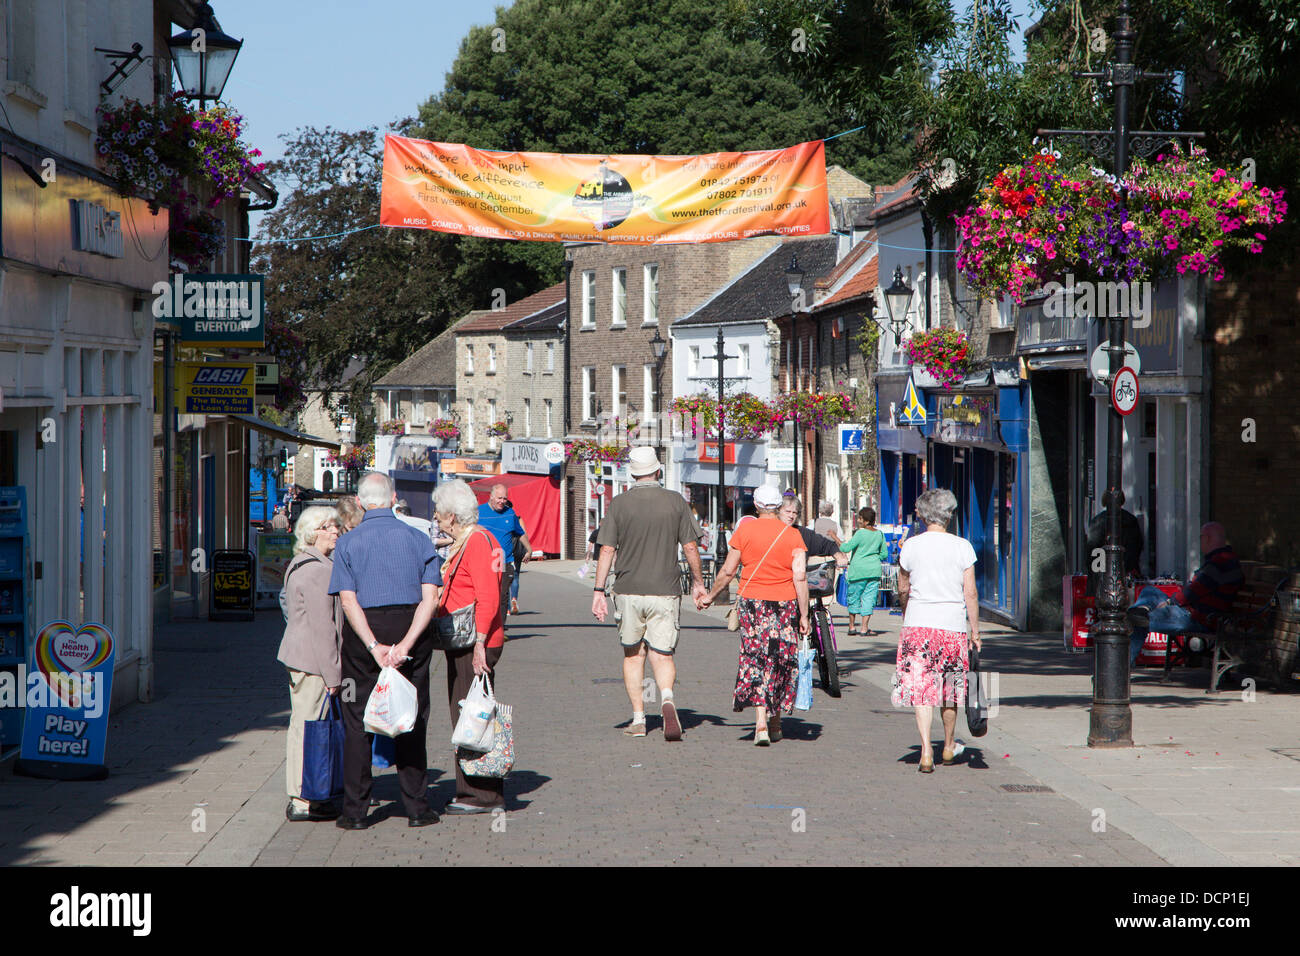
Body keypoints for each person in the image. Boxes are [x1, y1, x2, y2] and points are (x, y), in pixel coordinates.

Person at [328, 471, 442, 829]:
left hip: (365, 635)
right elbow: (432, 598)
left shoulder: (348, 543)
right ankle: (418, 808)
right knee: (411, 715)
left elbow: (348, 601)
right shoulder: (418, 538)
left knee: (357, 720)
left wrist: (374, 646)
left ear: (360, 502)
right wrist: (405, 644)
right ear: (393, 498)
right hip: (411, 627)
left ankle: (356, 812)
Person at [592, 447, 706, 741]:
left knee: (633, 655)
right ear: (658, 471)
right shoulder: (675, 502)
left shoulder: (618, 504)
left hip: (628, 590)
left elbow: (607, 549)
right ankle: (666, 697)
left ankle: (640, 718)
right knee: (662, 653)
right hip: (665, 591)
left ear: (633, 474)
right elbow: (691, 547)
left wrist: (598, 590)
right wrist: (697, 583)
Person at [701, 484, 809, 745]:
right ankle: (775, 721)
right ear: (778, 507)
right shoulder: (792, 535)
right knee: (781, 658)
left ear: (758, 506)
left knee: (755, 656)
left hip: (753, 604)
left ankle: (760, 722)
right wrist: (804, 615)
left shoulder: (745, 530)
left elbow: (728, 571)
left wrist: (710, 596)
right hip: (784, 604)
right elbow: (801, 576)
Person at [432, 479, 507, 814]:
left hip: (473, 642)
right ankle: (476, 789)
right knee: (470, 712)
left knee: (470, 716)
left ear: (452, 516)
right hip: (471, 640)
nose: (435, 517)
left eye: (438, 512)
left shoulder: (476, 542)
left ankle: (478, 793)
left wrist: (479, 644)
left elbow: (489, 596)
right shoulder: (479, 538)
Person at [894, 488, 980, 773]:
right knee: (950, 690)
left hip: (918, 625)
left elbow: (903, 587)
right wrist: (975, 630)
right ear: (949, 515)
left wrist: (906, 611)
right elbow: (970, 593)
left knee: (921, 691)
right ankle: (948, 744)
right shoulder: (962, 546)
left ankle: (926, 751)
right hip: (951, 626)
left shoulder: (911, 546)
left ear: (921, 515)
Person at [276, 506, 343, 822]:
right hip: (312, 662)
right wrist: (333, 673)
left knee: (301, 725)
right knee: (308, 728)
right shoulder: (318, 570)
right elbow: (323, 627)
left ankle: (304, 793)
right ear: (314, 531)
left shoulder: (299, 563)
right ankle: (304, 798)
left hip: (298, 657)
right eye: (329, 526)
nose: (336, 531)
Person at [1127, 521, 1242, 667]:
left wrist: (1170, 602)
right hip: (1193, 612)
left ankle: (1121, 666)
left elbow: (1192, 592)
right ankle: (1140, 611)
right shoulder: (1222, 560)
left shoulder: (1219, 563)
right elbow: (1195, 590)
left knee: (1137, 621)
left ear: (1206, 538)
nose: (1200, 542)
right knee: (1149, 592)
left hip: (1197, 618)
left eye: (1201, 537)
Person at [478, 484, 531, 620]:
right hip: (484, 561)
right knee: (486, 595)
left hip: (505, 561)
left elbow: (520, 533)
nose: (502, 501)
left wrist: (529, 549)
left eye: (504, 498)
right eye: (499, 498)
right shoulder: (478, 512)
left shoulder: (510, 513)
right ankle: (484, 626)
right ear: (491, 496)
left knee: (502, 596)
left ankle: (500, 628)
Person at [840, 507, 890, 636]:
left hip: (858, 571)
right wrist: (873, 559)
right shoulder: (879, 534)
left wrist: (834, 537)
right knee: (869, 599)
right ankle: (864, 628)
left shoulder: (860, 533)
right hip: (873, 571)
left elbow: (846, 548)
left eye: (860, 518)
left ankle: (852, 627)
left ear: (866, 521)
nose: (858, 520)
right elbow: (884, 554)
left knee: (853, 598)